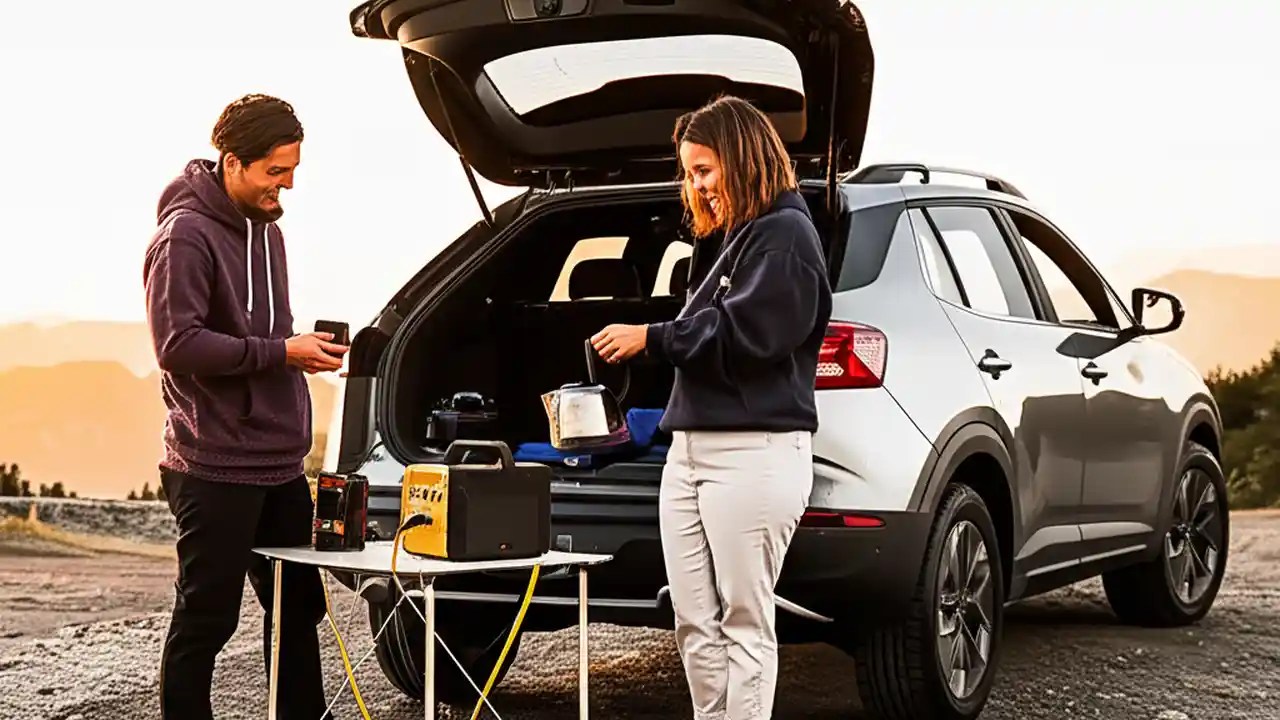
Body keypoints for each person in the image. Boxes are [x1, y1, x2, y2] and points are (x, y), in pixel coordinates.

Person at [590, 95, 833, 720]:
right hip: (691, 455)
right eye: (689, 173)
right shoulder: (736, 237)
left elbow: (747, 336)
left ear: (742, 157)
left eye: (704, 170)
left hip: (753, 456)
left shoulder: (785, 236)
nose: (696, 186)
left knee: (744, 622)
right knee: (694, 621)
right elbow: (707, 324)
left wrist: (652, 338)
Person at [143, 93, 348, 720]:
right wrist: (280, 353)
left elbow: (267, 332)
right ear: (232, 162)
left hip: (277, 460)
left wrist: (297, 352)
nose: (286, 186)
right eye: (275, 171)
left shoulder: (271, 235)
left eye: (292, 170)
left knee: (298, 609)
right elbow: (177, 344)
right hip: (212, 460)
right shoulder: (183, 238)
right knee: (208, 616)